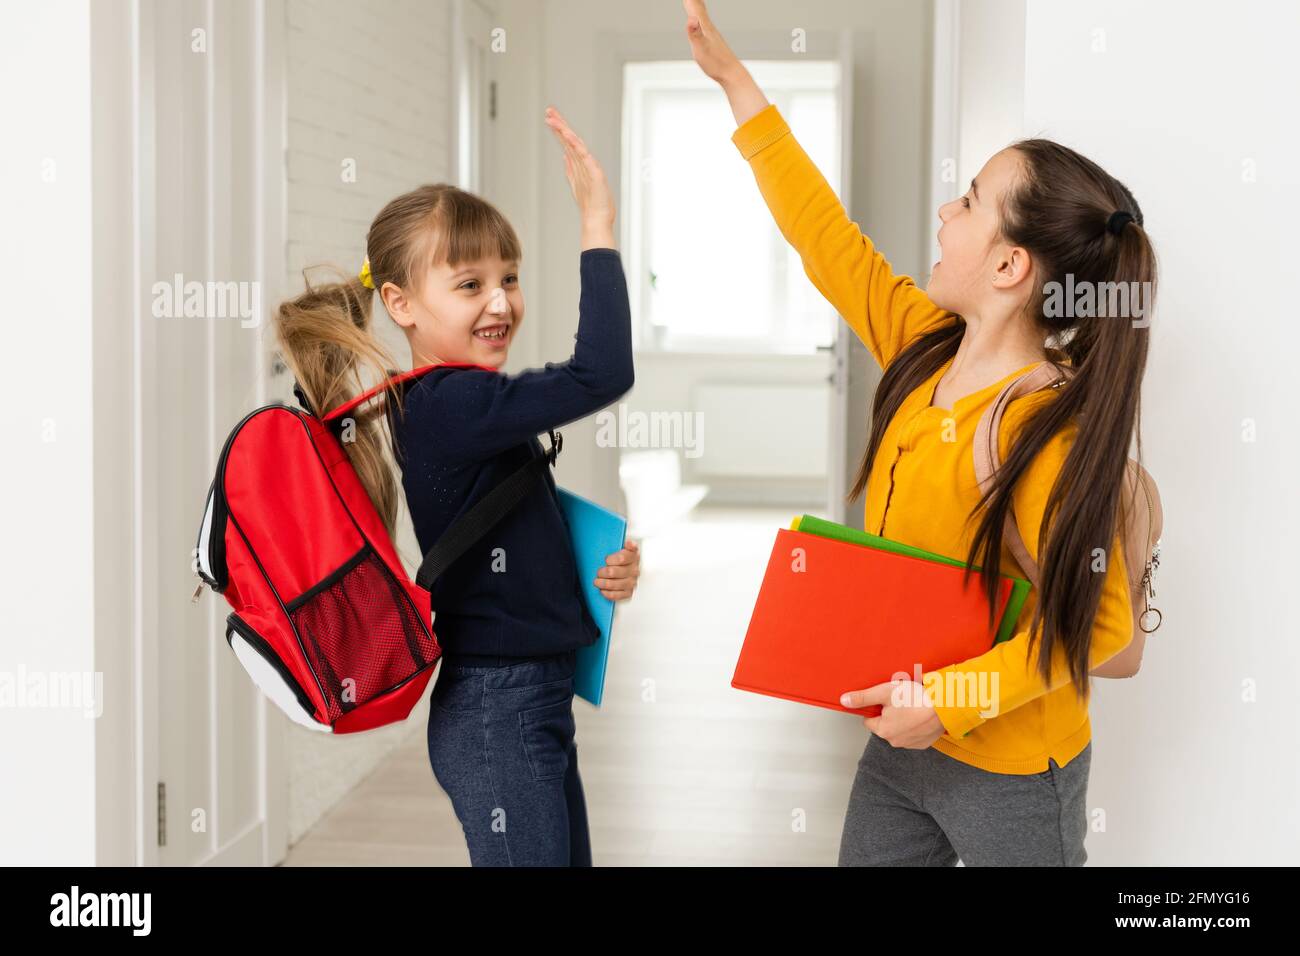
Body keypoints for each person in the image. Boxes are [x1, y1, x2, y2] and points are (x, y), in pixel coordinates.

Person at [684, 0, 1155, 865]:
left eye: (971, 201)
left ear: (1010, 266)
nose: (946, 209)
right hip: (903, 748)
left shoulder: (1042, 429)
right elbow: (827, 241)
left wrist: (957, 697)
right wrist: (736, 85)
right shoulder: (923, 345)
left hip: (1015, 767)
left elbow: (1102, 628)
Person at [273, 106, 640, 866]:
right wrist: (598, 222)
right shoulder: (453, 403)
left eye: (510, 278)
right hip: (498, 711)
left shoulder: (453, 401)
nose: (501, 301)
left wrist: (602, 565)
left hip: (527, 699)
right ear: (401, 304)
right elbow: (603, 371)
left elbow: (508, 522)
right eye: (470, 283)